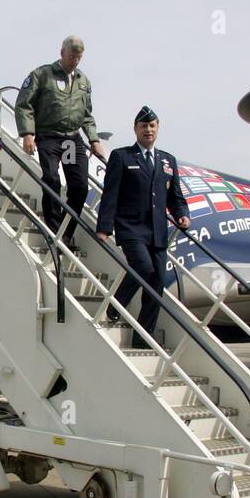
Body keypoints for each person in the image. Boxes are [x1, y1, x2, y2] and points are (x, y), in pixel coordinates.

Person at [95, 106, 191, 336]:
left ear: (157, 128)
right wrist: (104, 228)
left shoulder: (168, 161)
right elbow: (111, 194)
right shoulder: (122, 156)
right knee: (143, 267)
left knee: (156, 284)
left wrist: (181, 214)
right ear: (135, 129)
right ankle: (116, 304)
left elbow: (175, 196)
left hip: (158, 232)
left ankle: (144, 337)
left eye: (152, 126)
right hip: (131, 228)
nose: (148, 130)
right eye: (143, 126)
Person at [14, 36, 106, 248]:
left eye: (79, 57)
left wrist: (94, 139)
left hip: (71, 140)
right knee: (52, 179)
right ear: (62, 53)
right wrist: (27, 133)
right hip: (48, 136)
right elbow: (24, 104)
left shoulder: (83, 82)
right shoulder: (43, 74)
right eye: (72, 55)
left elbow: (87, 114)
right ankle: (55, 231)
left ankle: (66, 231)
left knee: (80, 186)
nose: (75, 60)